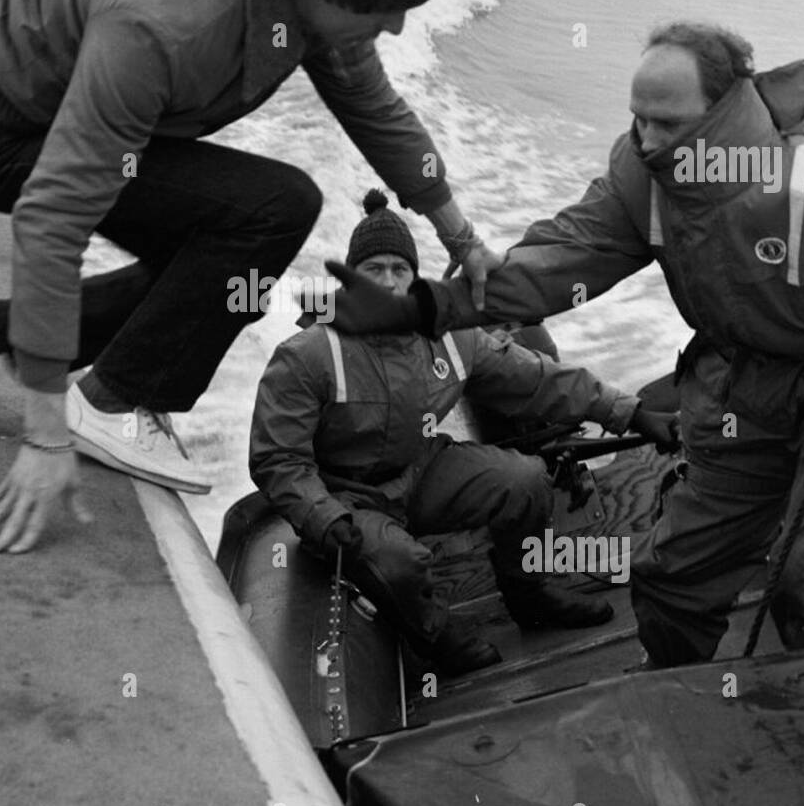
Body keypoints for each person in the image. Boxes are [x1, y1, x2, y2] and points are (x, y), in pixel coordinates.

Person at [0, 0, 505, 553]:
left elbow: (371, 105)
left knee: (222, 267)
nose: (392, 29)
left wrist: (461, 238)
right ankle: (107, 403)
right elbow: (53, 220)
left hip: (42, 101)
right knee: (269, 213)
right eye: (384, 11)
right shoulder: (169, 22)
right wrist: (45, 435)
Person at [323, 23, 804, 667]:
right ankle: (683, 707)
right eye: (637, 119)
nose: (646, 140)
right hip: (741, 394)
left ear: (721, 112)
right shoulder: (644, 178)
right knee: (670, 580)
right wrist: (425, 307)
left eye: (665, 123)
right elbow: (556, 261)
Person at [249, 189, 679, 676]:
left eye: (400, 269)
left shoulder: (452, 337)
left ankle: (528, 595)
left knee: (524, 479)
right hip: (349, 496)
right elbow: (277, 460)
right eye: (374, 270)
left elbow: (538, 380)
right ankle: (436, 635)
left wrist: (633, 412)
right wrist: (323, 515)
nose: (389, 282)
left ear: (414, 278)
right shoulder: (307, 355)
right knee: (398, 560)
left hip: (421, 469)